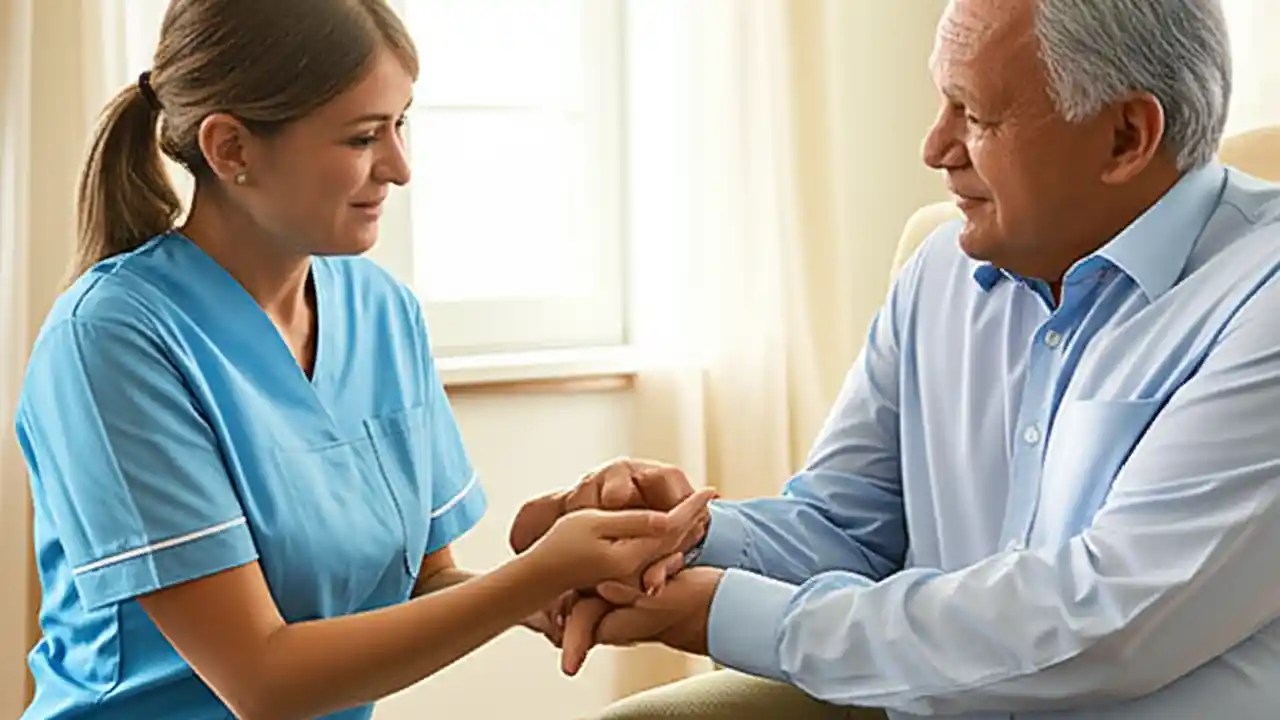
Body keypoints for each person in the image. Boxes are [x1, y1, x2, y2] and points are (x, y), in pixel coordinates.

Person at [512, 0, 1280, 718]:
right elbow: (845, 529)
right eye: (943, 101)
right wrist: (671, 539)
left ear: (1126, 138)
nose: (934, 148)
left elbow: (1107, 620)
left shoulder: (1260, 297)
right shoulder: (943, 270)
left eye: (973, 115)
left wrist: (721, 612)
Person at [14, 1, 713, 718]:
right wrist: (535, 577)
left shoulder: (381, 311)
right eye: (361, 137)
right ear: (231, 150)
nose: (401, 168)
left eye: (401, 123)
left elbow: (425, 583)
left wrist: (561, 581)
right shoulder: (113, 340)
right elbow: (262, 680)